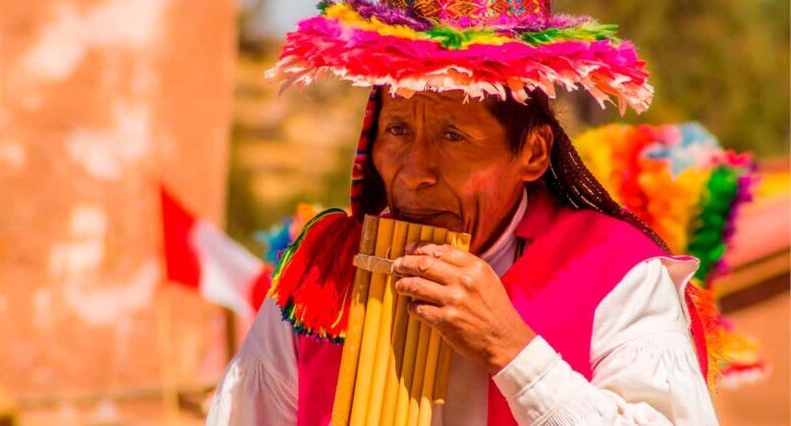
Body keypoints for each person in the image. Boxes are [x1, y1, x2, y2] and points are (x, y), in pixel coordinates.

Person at [208, 1, 719, 424]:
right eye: (398, 131)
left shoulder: (617, 271)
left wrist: (513, 351)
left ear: (533, 154)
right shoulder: (319, 280)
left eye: (453, 137)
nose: (414, 173)